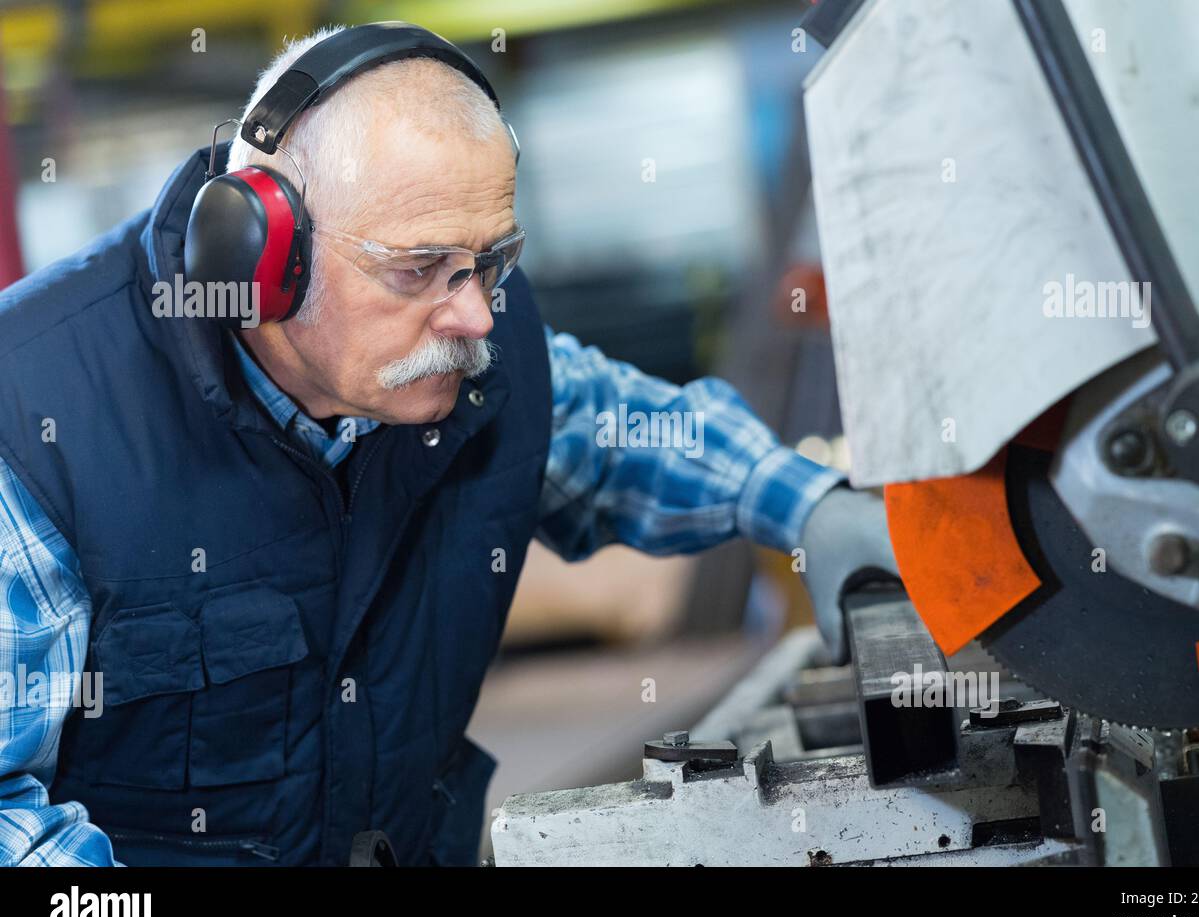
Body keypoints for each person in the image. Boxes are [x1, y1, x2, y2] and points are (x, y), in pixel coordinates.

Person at [0, 23, 895, 866]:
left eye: (492, 259)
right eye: (417, 269)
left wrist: (806, 503)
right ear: (262, 259)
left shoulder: (470, 347)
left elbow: (615, 430)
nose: (471, 314)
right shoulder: (41, 423)